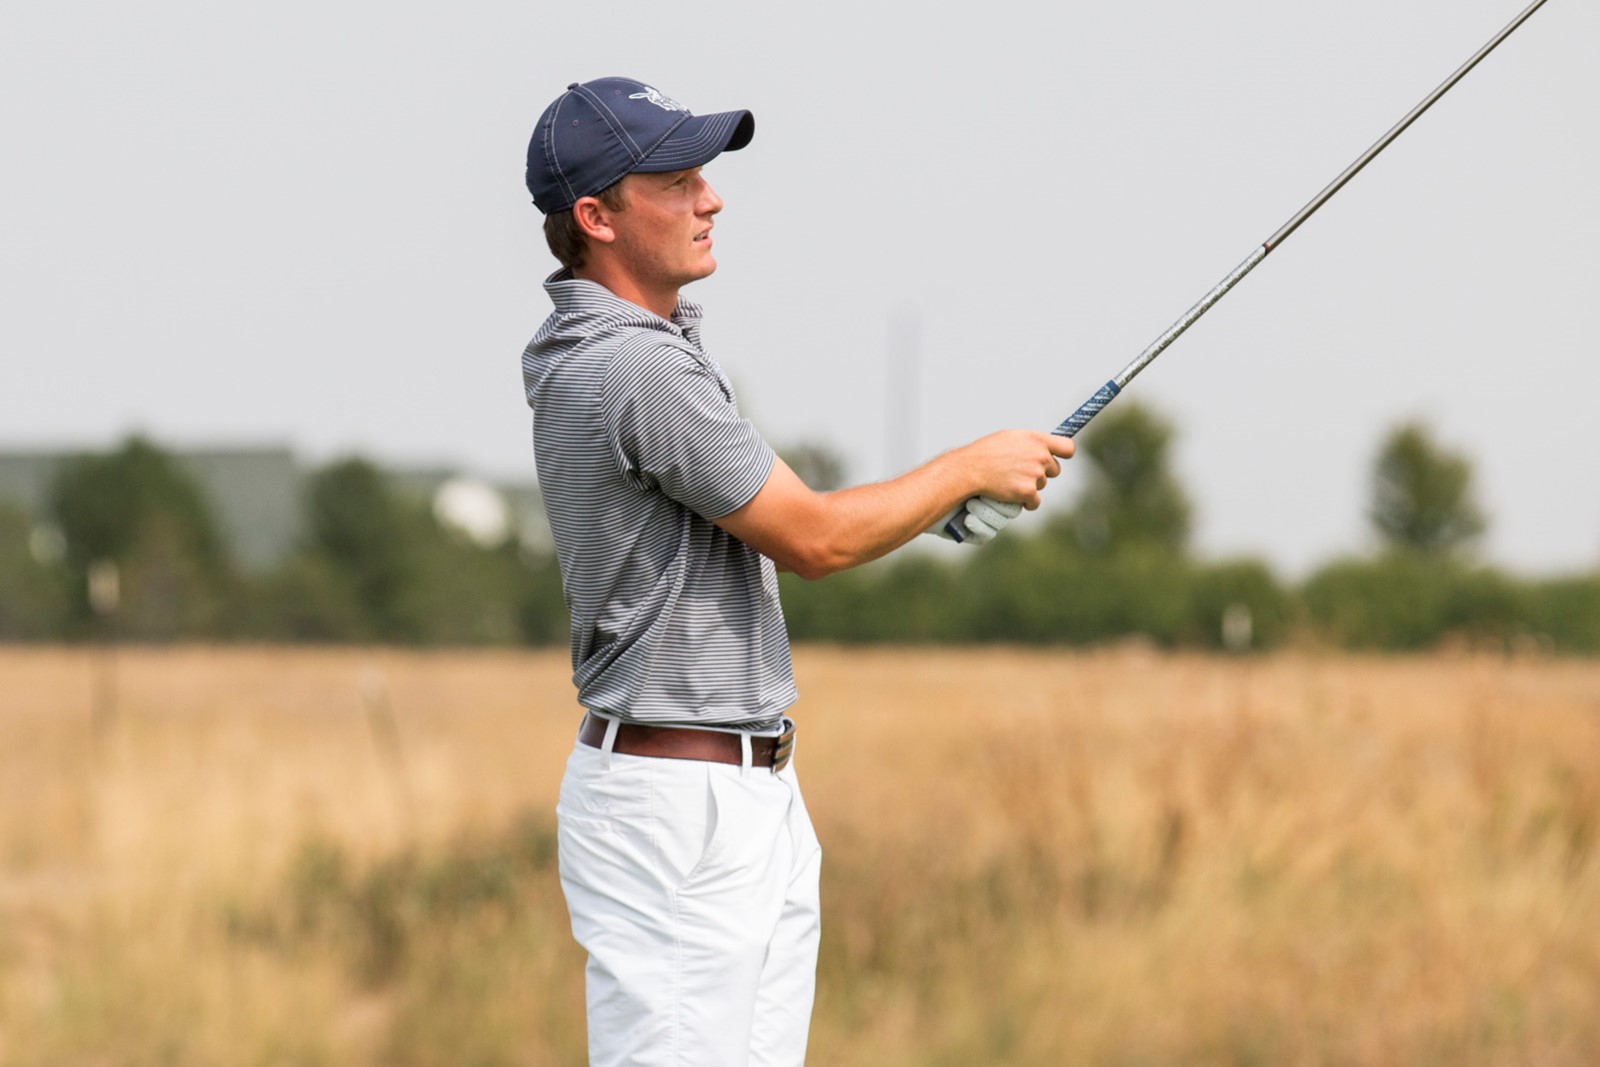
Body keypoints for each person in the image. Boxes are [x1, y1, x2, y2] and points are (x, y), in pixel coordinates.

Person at [521, 76, 1074, 1067]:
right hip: (680, 806)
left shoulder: (632, 352)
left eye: (703, 176)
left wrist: (937, 504)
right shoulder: (636, 367)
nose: (711, 198)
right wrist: (966, 467)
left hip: (733, 789)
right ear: (596, 218)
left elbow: (802, 525)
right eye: (676, 182)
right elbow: (814, 537)